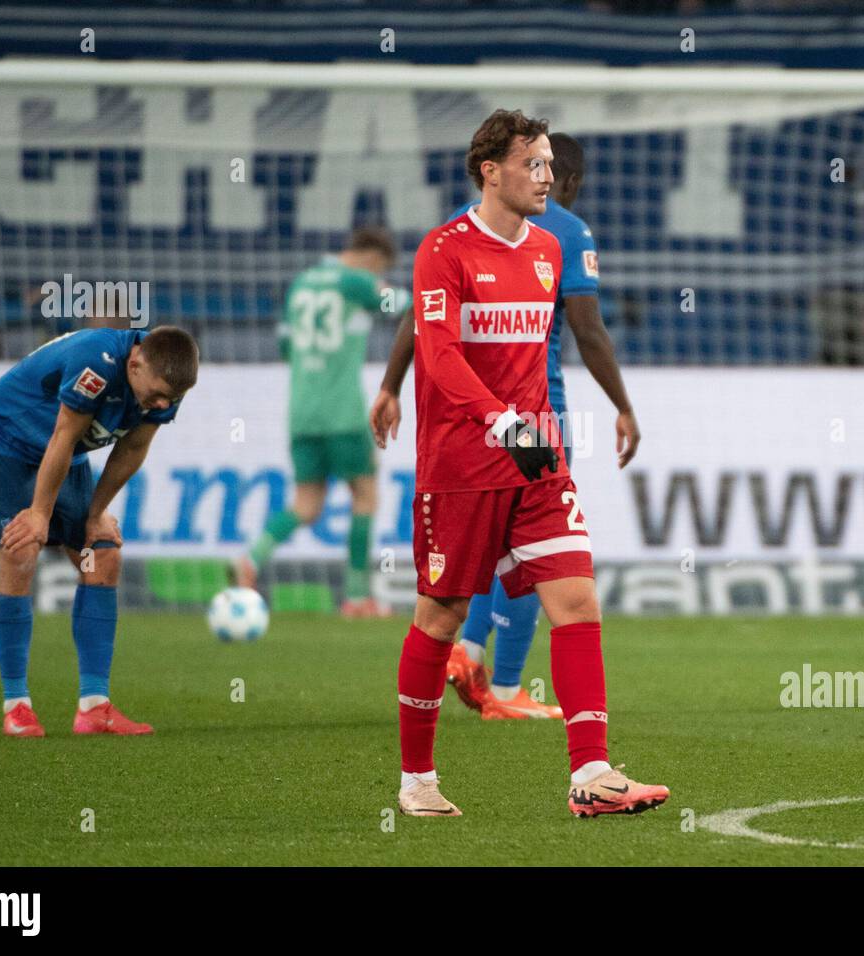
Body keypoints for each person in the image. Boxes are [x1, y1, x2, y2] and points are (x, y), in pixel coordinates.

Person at [382, 108, 669, 816]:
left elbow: (538, 357)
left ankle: (593, 773)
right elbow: (441, 355)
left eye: (548, 164)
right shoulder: (443, 251)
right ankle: (416, 780)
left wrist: (535, 433)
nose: (547, 177)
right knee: (440, 616)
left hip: (535, 463)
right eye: (533, 164)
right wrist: (501, 422)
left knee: (576, 601)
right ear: (491, 171)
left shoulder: (547, 250)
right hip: (462, 466)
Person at [0, 324, 200, 736]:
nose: (162, 403)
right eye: (159, 393)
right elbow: (62, 434)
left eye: (172, 399)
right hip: (5, 439)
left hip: (64, 454)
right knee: (22, 548)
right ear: (135, 363)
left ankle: (94, 707)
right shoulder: (97, 362)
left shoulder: (164, 388)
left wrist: (96, 512)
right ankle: (16, 706)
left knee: (103, 551)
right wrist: (39, 514)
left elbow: (132, 449)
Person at [234, 227, 411, 618]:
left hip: (301, 414)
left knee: (306, 505)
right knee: (365, 497)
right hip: (344, 413)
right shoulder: (357, 281)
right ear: (370, 258)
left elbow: (284, 344)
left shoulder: (301, 283)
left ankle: (251, 558)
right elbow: (407, 305)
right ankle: (356, 596)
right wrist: (382, 288)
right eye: (379, 266)